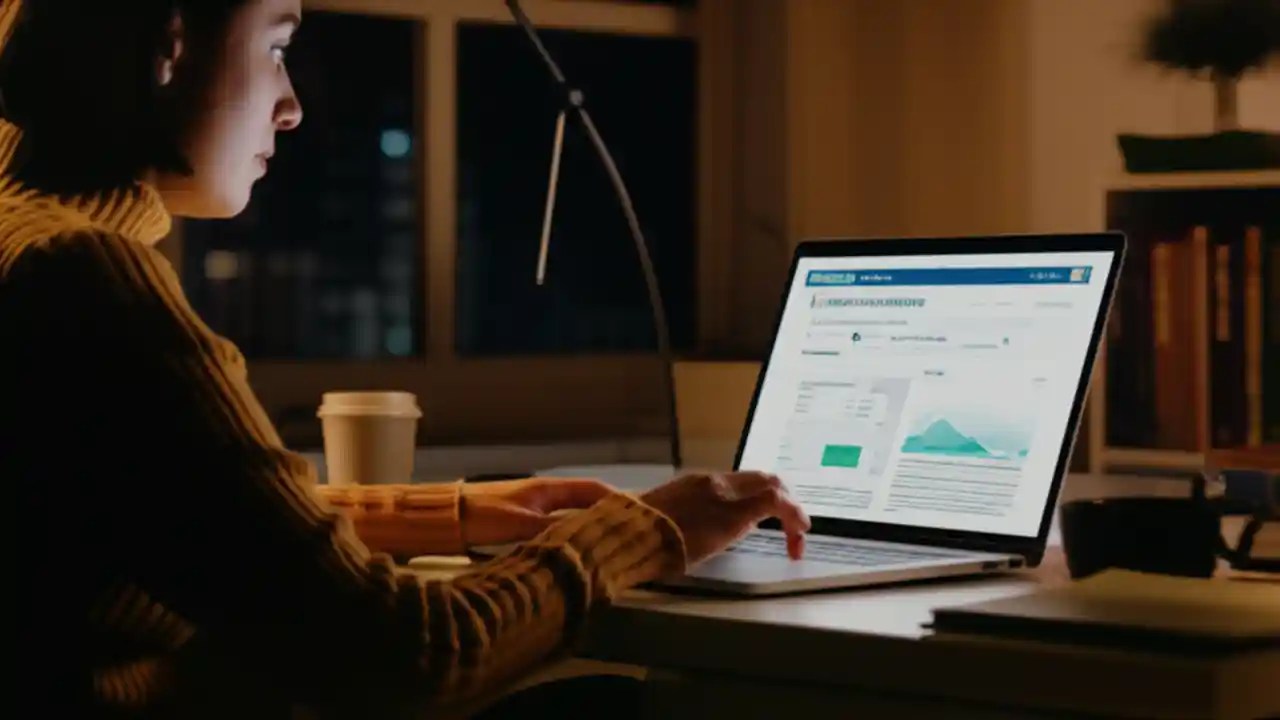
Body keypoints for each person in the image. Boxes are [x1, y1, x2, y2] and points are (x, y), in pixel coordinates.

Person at [0, 0, 809, 717]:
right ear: (170, 46)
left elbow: (197, 518)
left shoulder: (25, 242)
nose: (291, 107)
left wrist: (449, 514)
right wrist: (647, 529)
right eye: (276, 48)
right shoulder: (90, 282)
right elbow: (406, 654)